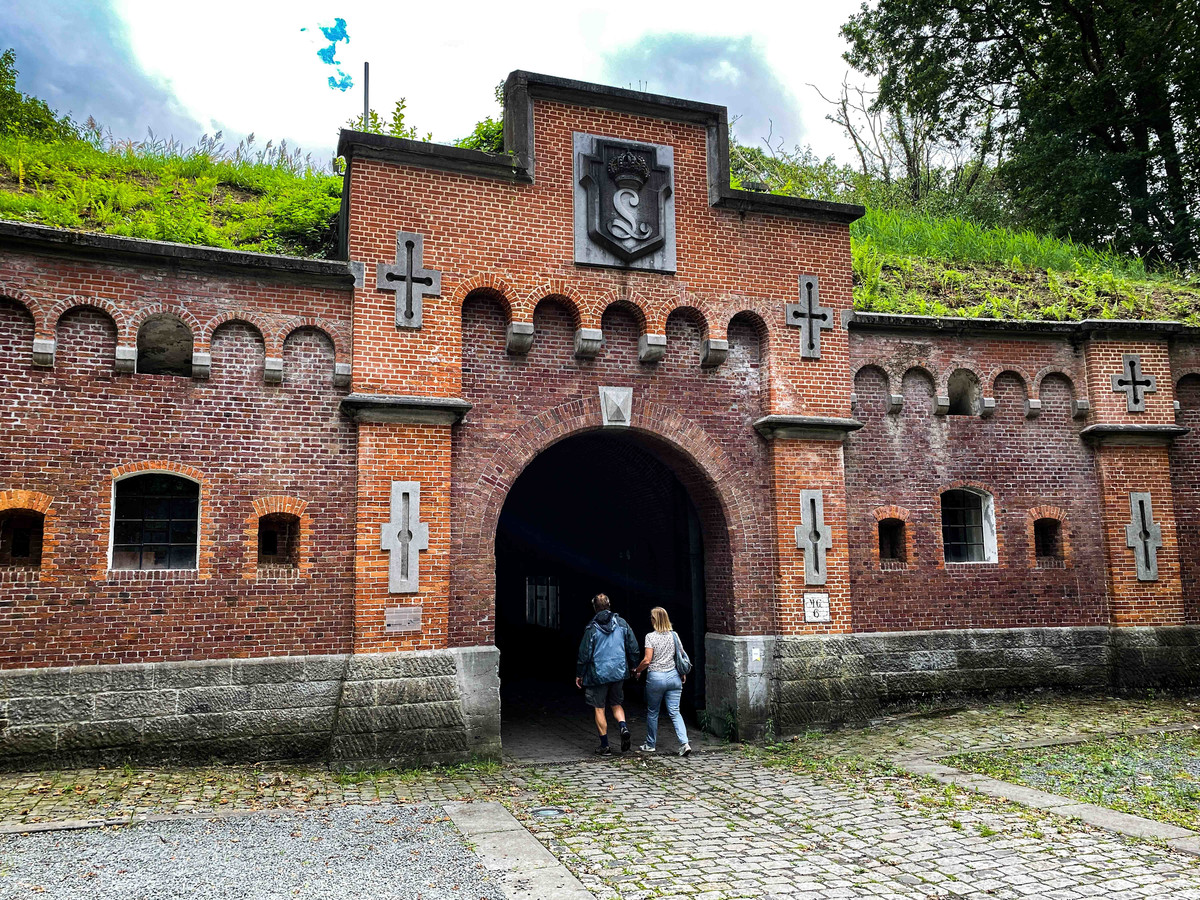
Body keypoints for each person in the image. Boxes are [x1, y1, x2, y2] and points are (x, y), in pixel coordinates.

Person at [575, 593, 640, 755]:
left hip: (598, 675)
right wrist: (634, 666)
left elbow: (584, 654)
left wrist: (580, 674)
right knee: (617, 704)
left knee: (599, 708)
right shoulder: (622, 623)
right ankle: (623, 727)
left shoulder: (591, 628)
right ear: (609, 605)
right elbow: (633, 646)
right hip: (618, 672)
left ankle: (605, 746)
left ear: (595, 608)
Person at [633, 607, 692, 757]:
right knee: (675, 712)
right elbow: (681, 656)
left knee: (653, 712)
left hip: (656, 678)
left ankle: (650, 744)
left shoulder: (650, 637)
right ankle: (684, 743)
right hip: (673, 677)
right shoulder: (674, 635)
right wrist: (682, 673)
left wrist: (637, 670)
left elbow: (647, 660)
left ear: (654, 620)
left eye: (651, 618)